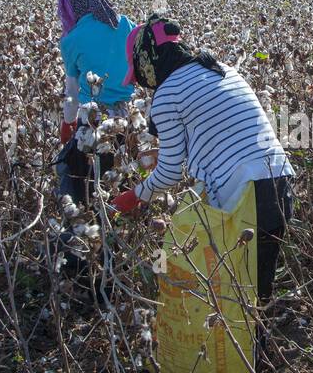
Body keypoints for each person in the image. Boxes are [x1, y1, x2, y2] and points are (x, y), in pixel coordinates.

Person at [111, 19, 294, 305]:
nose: (142, 82)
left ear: (147, 59)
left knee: (237, 296)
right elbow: (221, 133)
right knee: (259, 289)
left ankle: (249, 349)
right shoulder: (221, 70)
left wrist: (133, 197)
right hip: (280, 184)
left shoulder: (167, 94)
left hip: (246, 198)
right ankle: (260, 346)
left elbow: (170, 173)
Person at [55, 0, 137, 203]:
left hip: (91, 120)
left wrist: (67, 123)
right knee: (121, 176)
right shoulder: (126, 25)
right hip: (128, 118)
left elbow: (71, 92)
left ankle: (92, 224)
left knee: (86, 183)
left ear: (71, 3)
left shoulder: (72, 39)